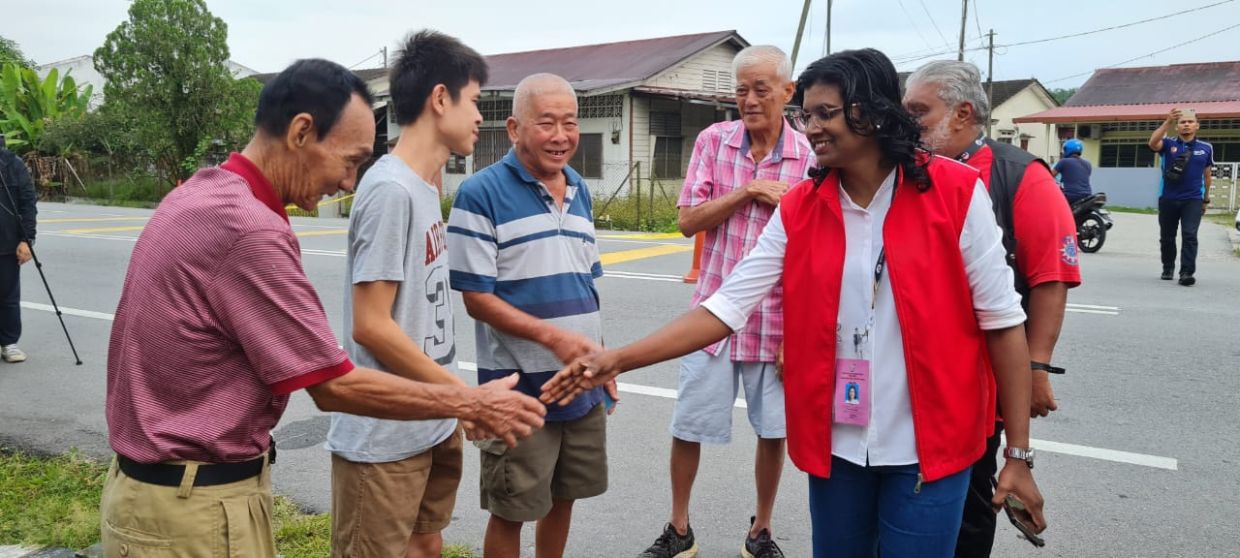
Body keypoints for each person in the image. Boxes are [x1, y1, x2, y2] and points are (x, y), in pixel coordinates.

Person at [543, 49, 1047, 558]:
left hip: (931, 450)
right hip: (839, 447)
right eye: (807, 115)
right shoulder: (802, 207)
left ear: (873, 112)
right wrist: (617, 359)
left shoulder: (956, 193)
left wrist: (1018, 454)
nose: (811, 129)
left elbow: (1003, 324)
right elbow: (726, 306)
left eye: (826, 113)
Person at [101, 58, 546, 558]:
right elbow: (333, 385)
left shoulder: (205, 193)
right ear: (301, 132)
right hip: (192, 509)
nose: (348, 183)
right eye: (350, 160)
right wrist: (470, 403)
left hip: (164, 496)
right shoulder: (248, 230)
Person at [637, 45, 812, 558]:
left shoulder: (809, 156)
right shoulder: (714, 141)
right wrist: (748, 191)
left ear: (788, 91)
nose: (750, 100)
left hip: (776, 321)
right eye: (741, 90)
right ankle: (679, 527)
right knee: (688, 424)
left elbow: (815, 252)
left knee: (774, 432)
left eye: (761, 89)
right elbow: (687, 220)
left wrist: (797, 335)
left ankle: (761, 531)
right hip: (711, 316)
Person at [902, 60, 1078, 558]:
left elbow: (1051, 278)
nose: (906, 122)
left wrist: (1035, 368)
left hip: (981, 378)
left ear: (961, 114)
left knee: (968, 499)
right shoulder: (907, 171)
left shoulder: (1017, 175)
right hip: (913, 371)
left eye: (918, 111)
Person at [325, 31, 487, 558]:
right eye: (475, 101)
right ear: (441, 99)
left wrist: (449, 403)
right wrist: (463, 397)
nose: (480, 117)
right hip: (385, 436)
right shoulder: (390, 191)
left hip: (432, 419)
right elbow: (371, 324)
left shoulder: (423, 186)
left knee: (427, 542)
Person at [447, 73, 616, 558]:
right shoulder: (480, 193)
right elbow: (477, 298)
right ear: (515, 128)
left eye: (570, 123)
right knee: (513, 509)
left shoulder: (579, 189)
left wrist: (603, 361)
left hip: (581, 385)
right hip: (518, 391)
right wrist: (554, 339)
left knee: (564, 497)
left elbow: (585, 286)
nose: (561, 136)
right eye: (547, 123)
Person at [1149, 108, 1214, 286]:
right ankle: (1168, 267)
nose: (1186, 125)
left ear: (1197, 126)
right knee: (1167, 237)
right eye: (1182, 122)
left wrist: (1206, 199)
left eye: (1190, 122)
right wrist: (1167, 122)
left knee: (1190, 235)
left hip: (1193, 199)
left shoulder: (1206, 148)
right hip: (1168, 198)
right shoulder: (1168, 144)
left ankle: (1186, 272)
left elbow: (1207, 175)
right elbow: (1152, 143)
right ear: (1177, 127)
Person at [0, 133, 35, 363]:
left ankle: (9, 343)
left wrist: (27, 239)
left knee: (7, 295)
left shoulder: (13, 164)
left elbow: (28, 203)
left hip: (6, 242)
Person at [1052, 138, 1093, 205]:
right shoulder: (1088, 164)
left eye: (1065, 149)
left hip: (1071, 195)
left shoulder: (1064, 161)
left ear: (1068, 149)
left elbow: (1050, 175)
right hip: (1087, 195)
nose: (1063, 152)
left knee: (1052, 203)